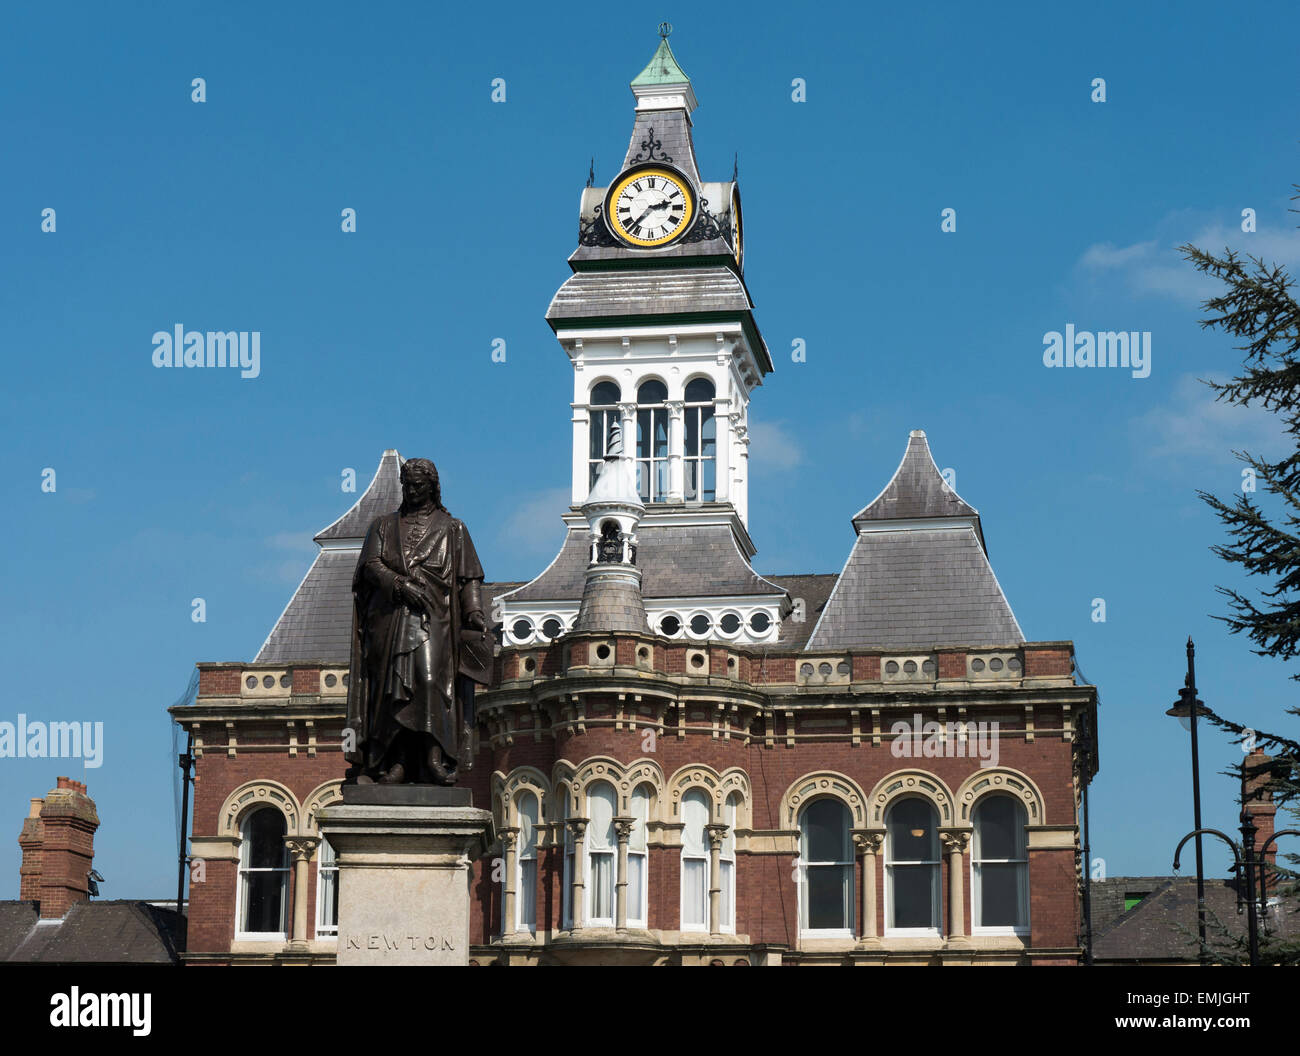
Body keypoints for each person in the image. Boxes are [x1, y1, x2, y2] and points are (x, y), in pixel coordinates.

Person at [345, 458, 488, 784]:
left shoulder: (453, 529)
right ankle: (395, 762)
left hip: (435, 619)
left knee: (429, 682)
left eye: (418, 485)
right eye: (407, 485)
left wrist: (475, 613)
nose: (411, 491)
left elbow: (469, 579)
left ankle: (433, 757)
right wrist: (399, 584)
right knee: (388, 691)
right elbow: (370, 566)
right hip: (391, 620)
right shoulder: (383, 526)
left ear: (433, 487)